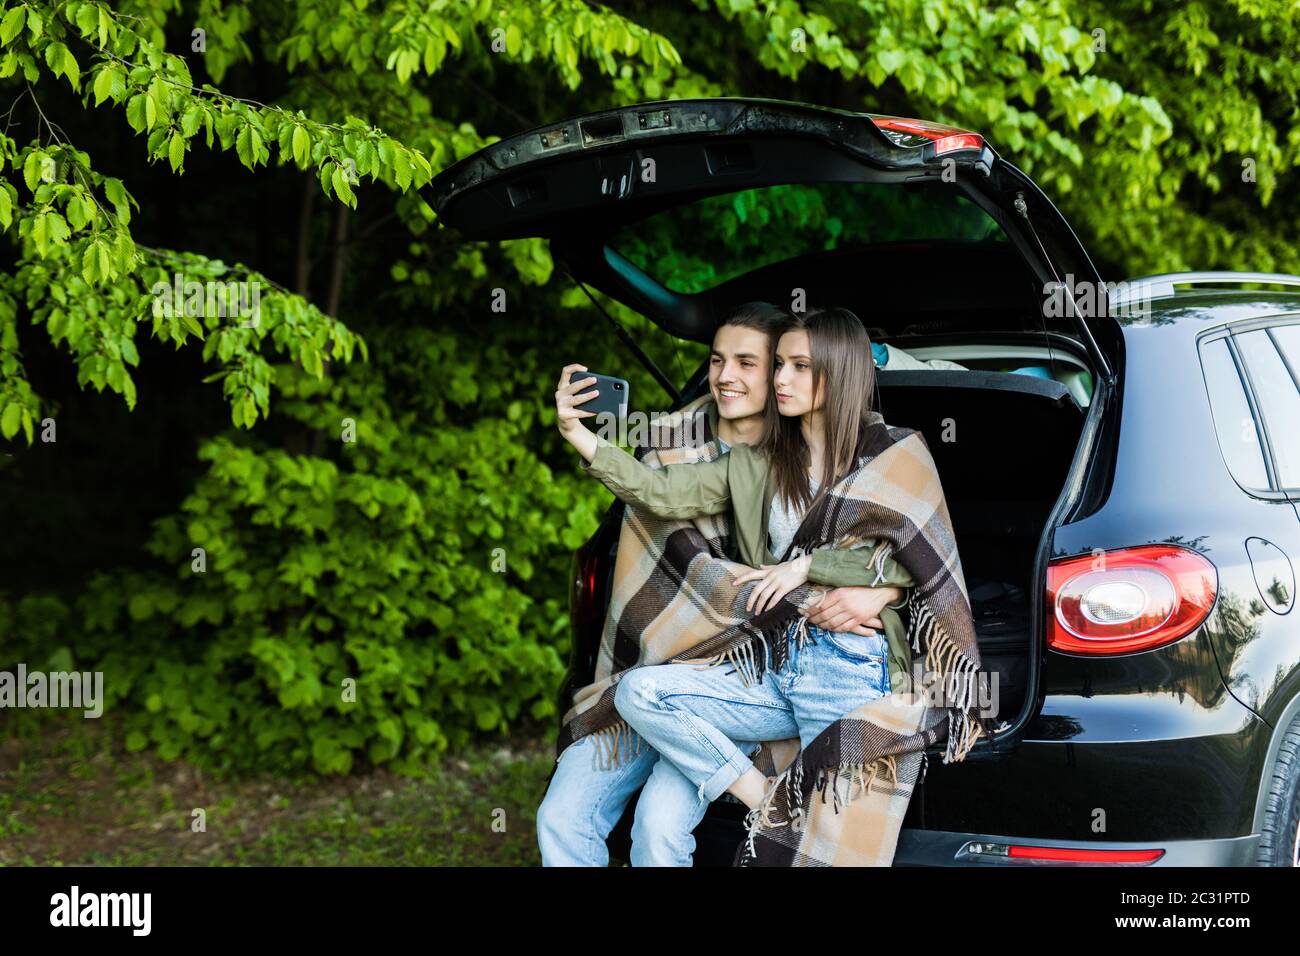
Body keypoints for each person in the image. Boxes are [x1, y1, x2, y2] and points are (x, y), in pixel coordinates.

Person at [538, 303, 912, 866]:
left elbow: (911, 551)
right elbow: (659, 490)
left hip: (813, 665)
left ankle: (781, 811)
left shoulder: (880, 454)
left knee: (814, 849)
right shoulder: (738, 461)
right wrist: (578, 434)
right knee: (581, 808)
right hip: (709, 665)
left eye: (771, 365)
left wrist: (850, 580)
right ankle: (767, 801)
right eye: (719, 360)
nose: (775, 379)